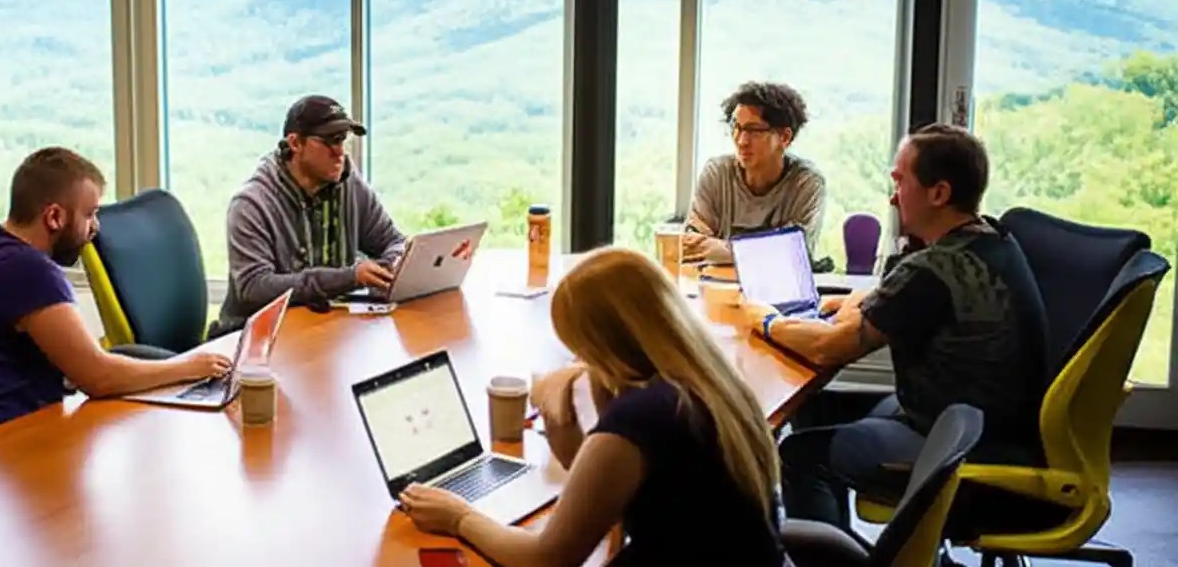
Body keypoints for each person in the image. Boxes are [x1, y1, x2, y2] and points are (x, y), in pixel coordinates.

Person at [744, 124, 1049, 530]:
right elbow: (892, 301)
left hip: (962, 445)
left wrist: (763, 319)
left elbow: (828, 348)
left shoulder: (931, 271)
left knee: (798, 455)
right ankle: (838, 543)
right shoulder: (992, 238)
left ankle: (825, 555)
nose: (893, 196)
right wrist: (854, 304)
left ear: (938, 193)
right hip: (989, 421)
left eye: (901, 181)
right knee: (816, 405)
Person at [398, 248, 786, 566]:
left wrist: (460, 517)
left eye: (579, 345)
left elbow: (546, 559)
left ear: (603, 343)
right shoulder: (711, 381)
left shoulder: (641, 420)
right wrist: (564, 421)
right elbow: (606, 496)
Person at [0, 147, 231, 444]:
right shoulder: (30, 271)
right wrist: (190, 366)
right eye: (89, 215)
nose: (95, 228)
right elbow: (97, 377)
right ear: (54, 217)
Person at [217, 95, 406, 336]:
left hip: (325, 330)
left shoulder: (348, 184)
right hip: (257, 339)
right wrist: (349, 278)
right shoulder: (251, 204)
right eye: (330, 141)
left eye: (343, 140)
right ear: (295, 143)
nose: (340, 152)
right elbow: (255, 288)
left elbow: (394, 241)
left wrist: (389, 267)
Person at [685, 80, 827, 264]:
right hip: (717, 286)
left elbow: (794, 255)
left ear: (784, 137)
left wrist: (727, 251)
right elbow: (691, 246)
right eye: (737, 127)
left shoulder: (806, 183)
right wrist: (762, 253)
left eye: (754, 131)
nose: (742, 141)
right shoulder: (717, 173)